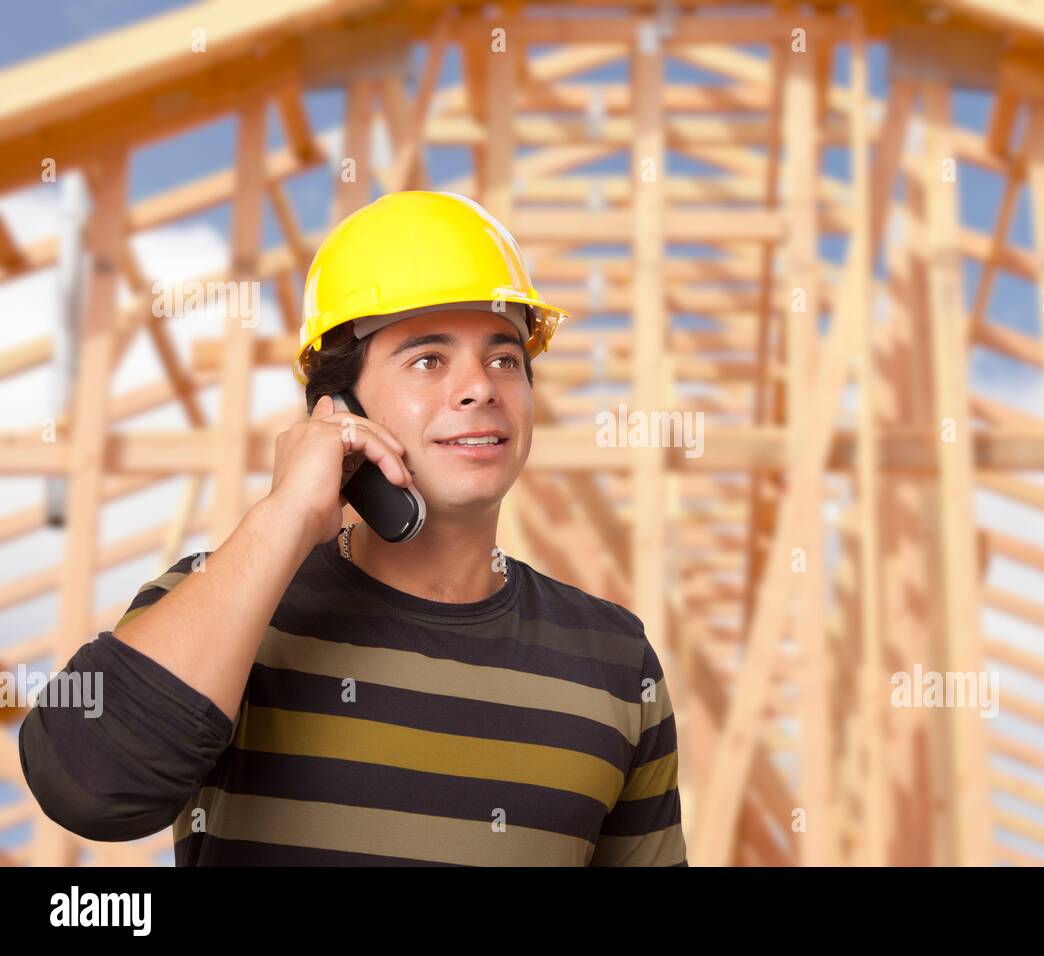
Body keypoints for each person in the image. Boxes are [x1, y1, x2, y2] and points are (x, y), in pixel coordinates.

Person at [19, 190, 687, 866]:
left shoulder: (614, 660)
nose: (480, 387)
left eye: (504, 358)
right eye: (428, 359)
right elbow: (87, 787)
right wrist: (287, 513)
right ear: (337, 407)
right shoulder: (228, 605)